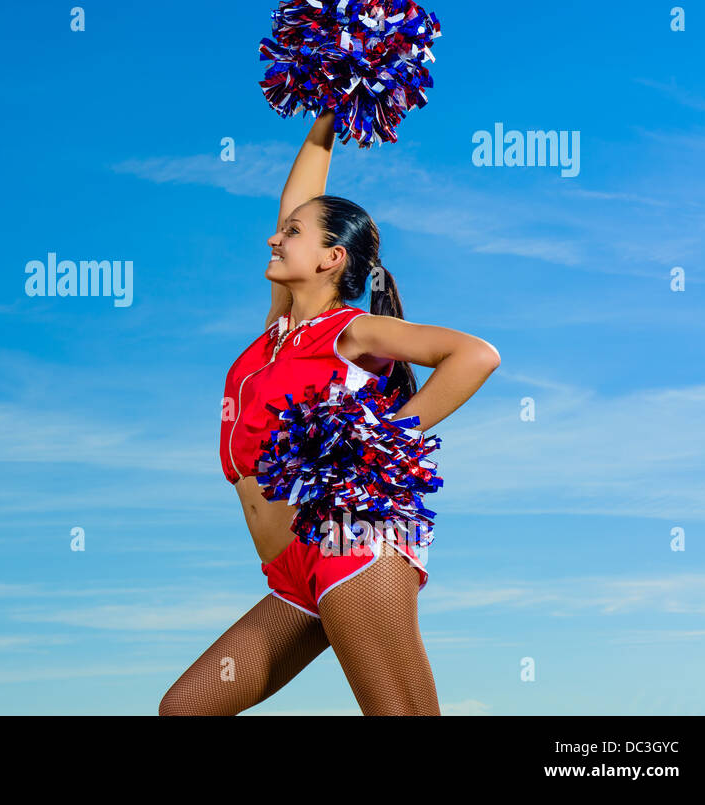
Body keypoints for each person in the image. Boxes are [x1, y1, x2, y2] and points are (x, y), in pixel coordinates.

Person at [159, 111, 500, 716]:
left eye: (292, 234)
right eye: (280, 230)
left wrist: (388, 436)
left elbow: (474, 355)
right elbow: (301, 197)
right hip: (289, 568)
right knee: (184, 709)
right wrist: (327, 116)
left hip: (350, 538)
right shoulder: (277, 332)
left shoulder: (352, 330)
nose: (274, 238)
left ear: (331, 258)